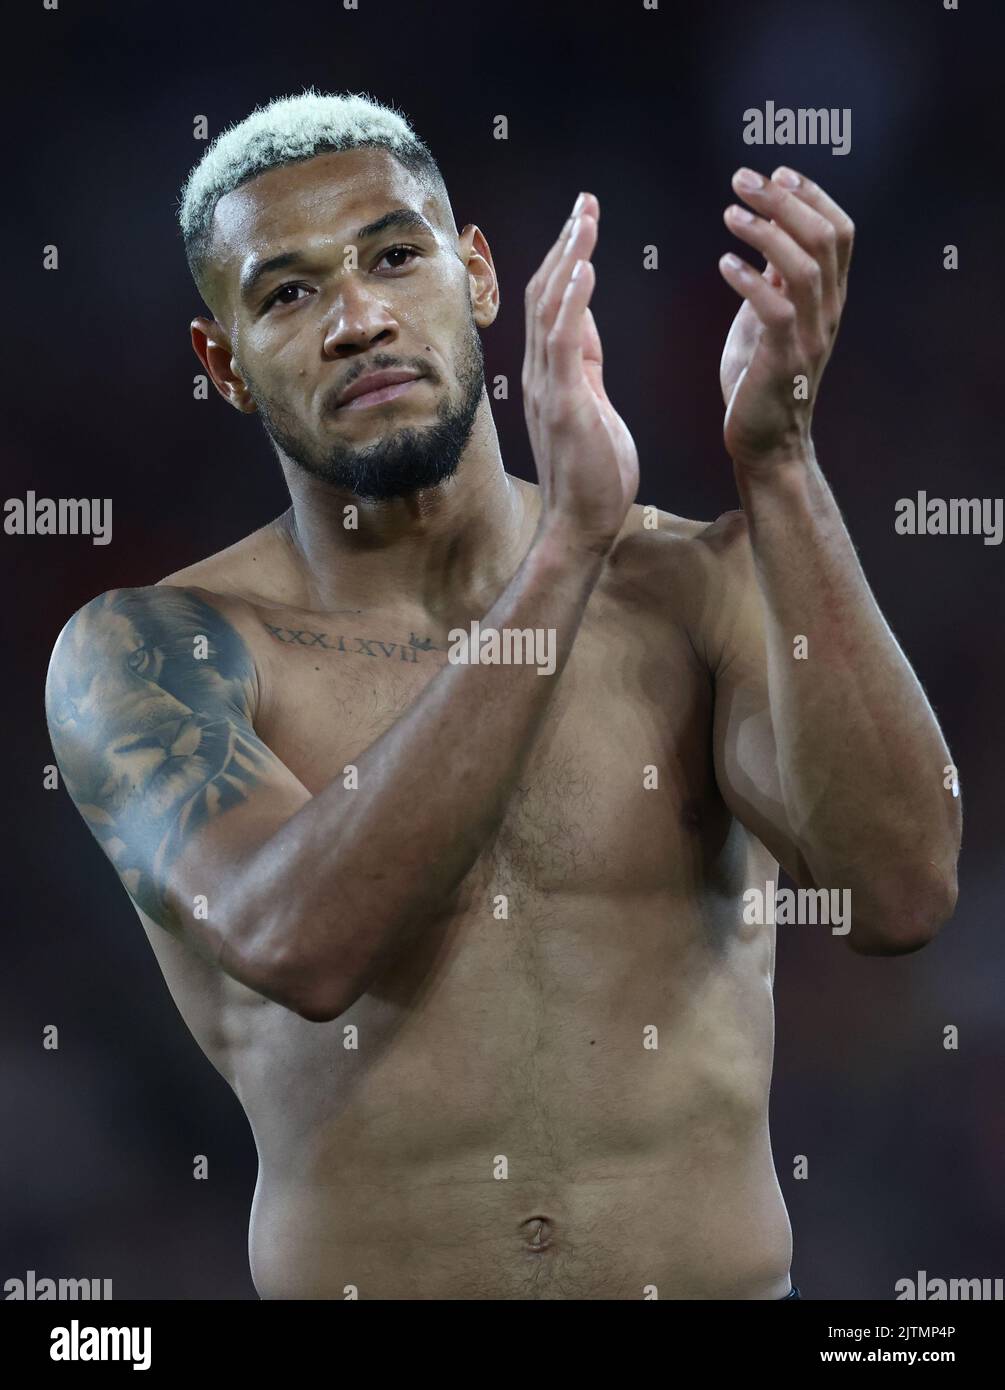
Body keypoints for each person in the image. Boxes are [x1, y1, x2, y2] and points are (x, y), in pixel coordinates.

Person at [45, 90, 961, 1300]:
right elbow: (302, 942)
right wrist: (565, 556)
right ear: (222, 364)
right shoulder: (151, 651)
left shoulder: (699, 583)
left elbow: (898, 891)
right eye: (288, 292)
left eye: (394, 256)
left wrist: (780, 463)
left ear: (476, 274)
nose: (359, 320)